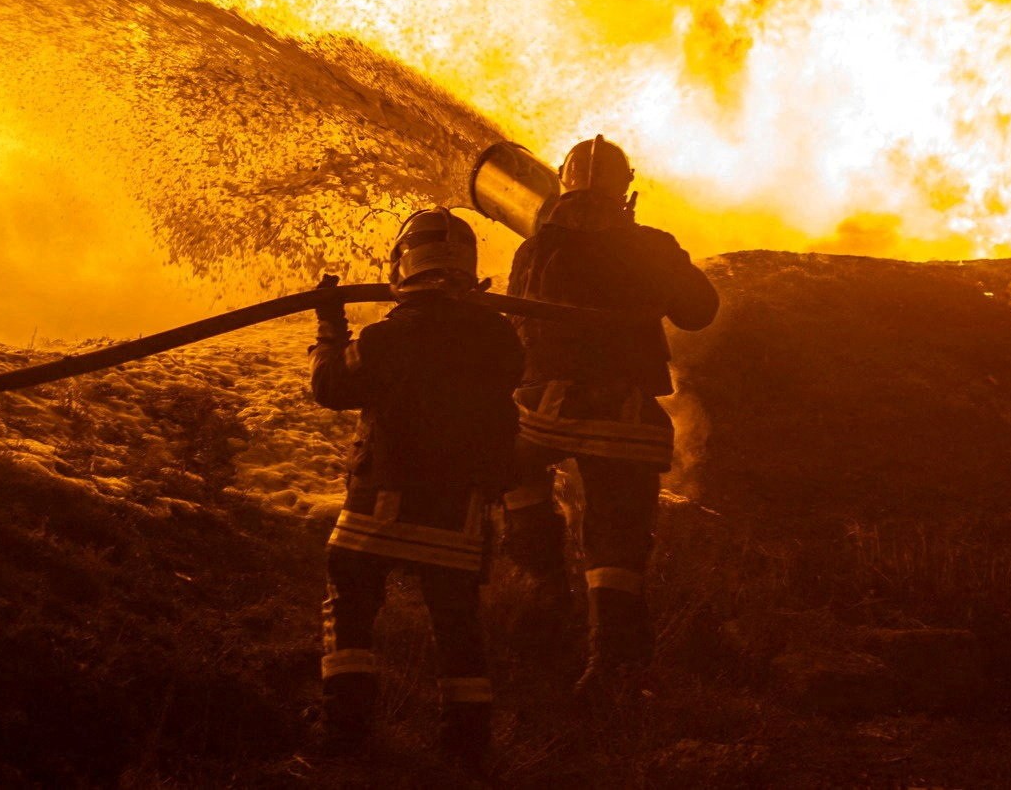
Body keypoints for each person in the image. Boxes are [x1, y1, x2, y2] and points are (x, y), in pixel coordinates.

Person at [499, 136, 719, 702]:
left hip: (540, 412)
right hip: (622, 417)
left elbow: (521, 329)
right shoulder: (650, 245)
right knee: (616, 540)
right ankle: (611, 664)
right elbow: (699, 312)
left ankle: (541, 589)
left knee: (512, 471)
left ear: (562, 185)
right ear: (626, 190)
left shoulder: (533, 249)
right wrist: (662, 264)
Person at [308, 208, 523, 769]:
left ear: (403, 266)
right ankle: (468, 745)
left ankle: (346, 731)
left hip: (383, 501)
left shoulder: (389, 336)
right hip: (459, 511)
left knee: (350, 601)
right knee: (457, 624)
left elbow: (330, 386)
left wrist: (330, 327)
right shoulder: (499, 335)